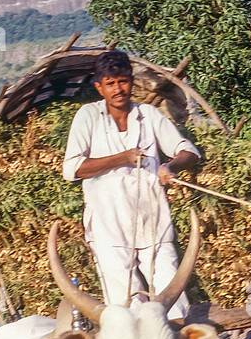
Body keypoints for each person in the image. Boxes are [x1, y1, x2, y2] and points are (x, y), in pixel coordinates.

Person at [62, 49, 201, 318]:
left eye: (123, 81)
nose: (118, 89)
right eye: (110, 84)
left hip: (154, 224)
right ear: (99, 87)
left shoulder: (147, 115)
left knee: (173, 298)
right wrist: (121, 158)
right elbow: (72, 168)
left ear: (131, 82)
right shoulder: (88, 117)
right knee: (125, 305)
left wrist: (169, 166)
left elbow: (189, 151)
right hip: (109, 228)